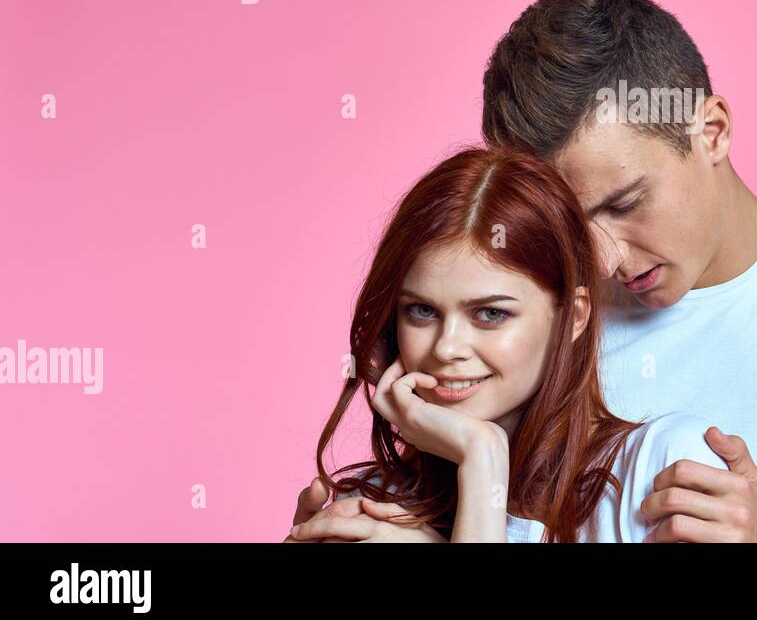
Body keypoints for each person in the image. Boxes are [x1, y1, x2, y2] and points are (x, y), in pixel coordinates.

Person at [293, 0, 757, 542]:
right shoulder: (520, 320)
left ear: (712, 130)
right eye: (570, 227)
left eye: (623, 201)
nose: (601, 258)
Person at [285, 145, 728, 543]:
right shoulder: (378, 511)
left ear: (572, 318)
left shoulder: (668, 471)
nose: (447, 348)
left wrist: (483, 463)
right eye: (422, 311)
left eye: (490, 313)